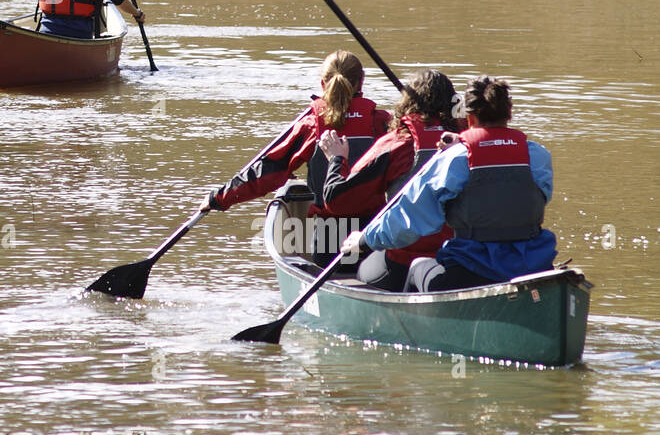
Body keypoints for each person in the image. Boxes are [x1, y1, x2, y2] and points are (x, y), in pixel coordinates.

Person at [339, 76, 556, 292]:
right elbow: (529, 197)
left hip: (471, 272)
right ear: (509, 113)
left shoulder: (454, 159)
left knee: (418, 265)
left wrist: (365, 239)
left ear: (469, 118)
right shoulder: (538, 156)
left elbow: (411, 215)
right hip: (534, 266)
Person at [313, 70, 460, 288]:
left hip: (402, 260)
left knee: (363, 268)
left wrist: (337, 159)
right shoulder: (464, 143)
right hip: (456, 257)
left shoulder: (395, 143)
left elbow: (336, 201)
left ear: (407, 102)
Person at [201, 50, 391, 213]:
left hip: (328, 230)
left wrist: (218, 197)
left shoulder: (311, 125)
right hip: (374, 227)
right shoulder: (383, 122)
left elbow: (268, 173)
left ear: (323, 84)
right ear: (361, 81)